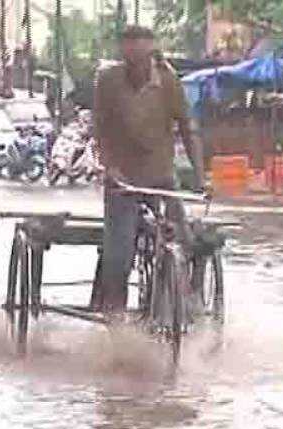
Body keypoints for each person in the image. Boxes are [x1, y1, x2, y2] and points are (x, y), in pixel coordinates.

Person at [93, 26, 205, 314]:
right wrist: (110, 166)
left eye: (142, 53)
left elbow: (188, 130)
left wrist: (202, 179)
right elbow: (100, 129)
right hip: (123, 181)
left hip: (161, 178)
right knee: (120, 255)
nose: (137, 62)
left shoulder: (169, 82)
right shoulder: (108, 81)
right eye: (129, 52)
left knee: (184, 239)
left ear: (151, 53)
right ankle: (115, 315)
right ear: (122, 53)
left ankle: (188, 297)